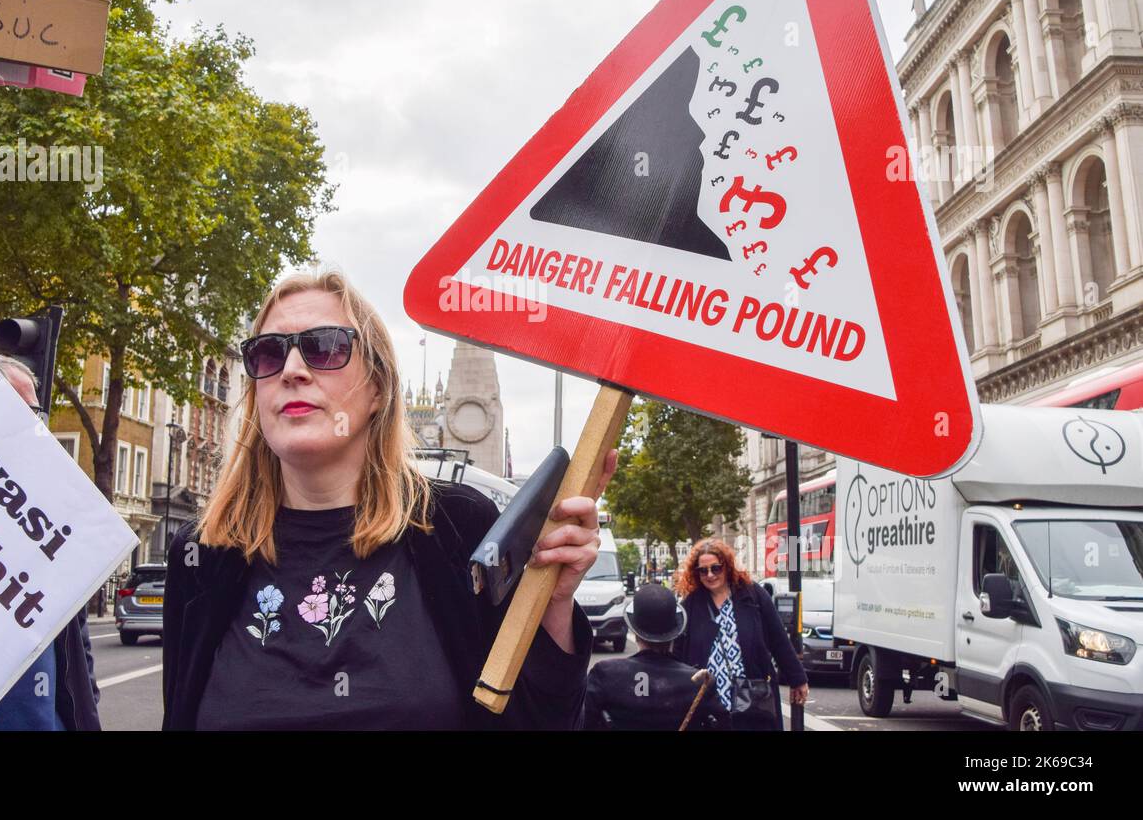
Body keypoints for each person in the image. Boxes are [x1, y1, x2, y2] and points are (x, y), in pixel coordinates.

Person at [162, 269, 610, 730]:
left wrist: (551, 602)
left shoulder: (457, 526)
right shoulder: (205, 553)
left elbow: (542, 719)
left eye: (325, 347)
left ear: (377, 388)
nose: (293, 370)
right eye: (269, 353)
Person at [0, 354, 102, 731]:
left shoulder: (47, 514)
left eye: (36, 413)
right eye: (13, 411)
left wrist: (87, 702)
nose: (32, 426)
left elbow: (76, 641)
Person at [672, 538, 807, 730]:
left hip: (750, 698)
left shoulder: (753, 595)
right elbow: (677, 651)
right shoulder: (691, 604)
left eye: (716, 568)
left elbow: (779, 639)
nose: (710, 575)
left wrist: (798, 679)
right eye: (703, 570)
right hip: (707, 702)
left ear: (726, 566)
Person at [583, 584, 719, 730]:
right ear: (676, 631)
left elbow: (582, 723)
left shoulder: (605, 674)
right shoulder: (699, 683)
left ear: (635, 632)